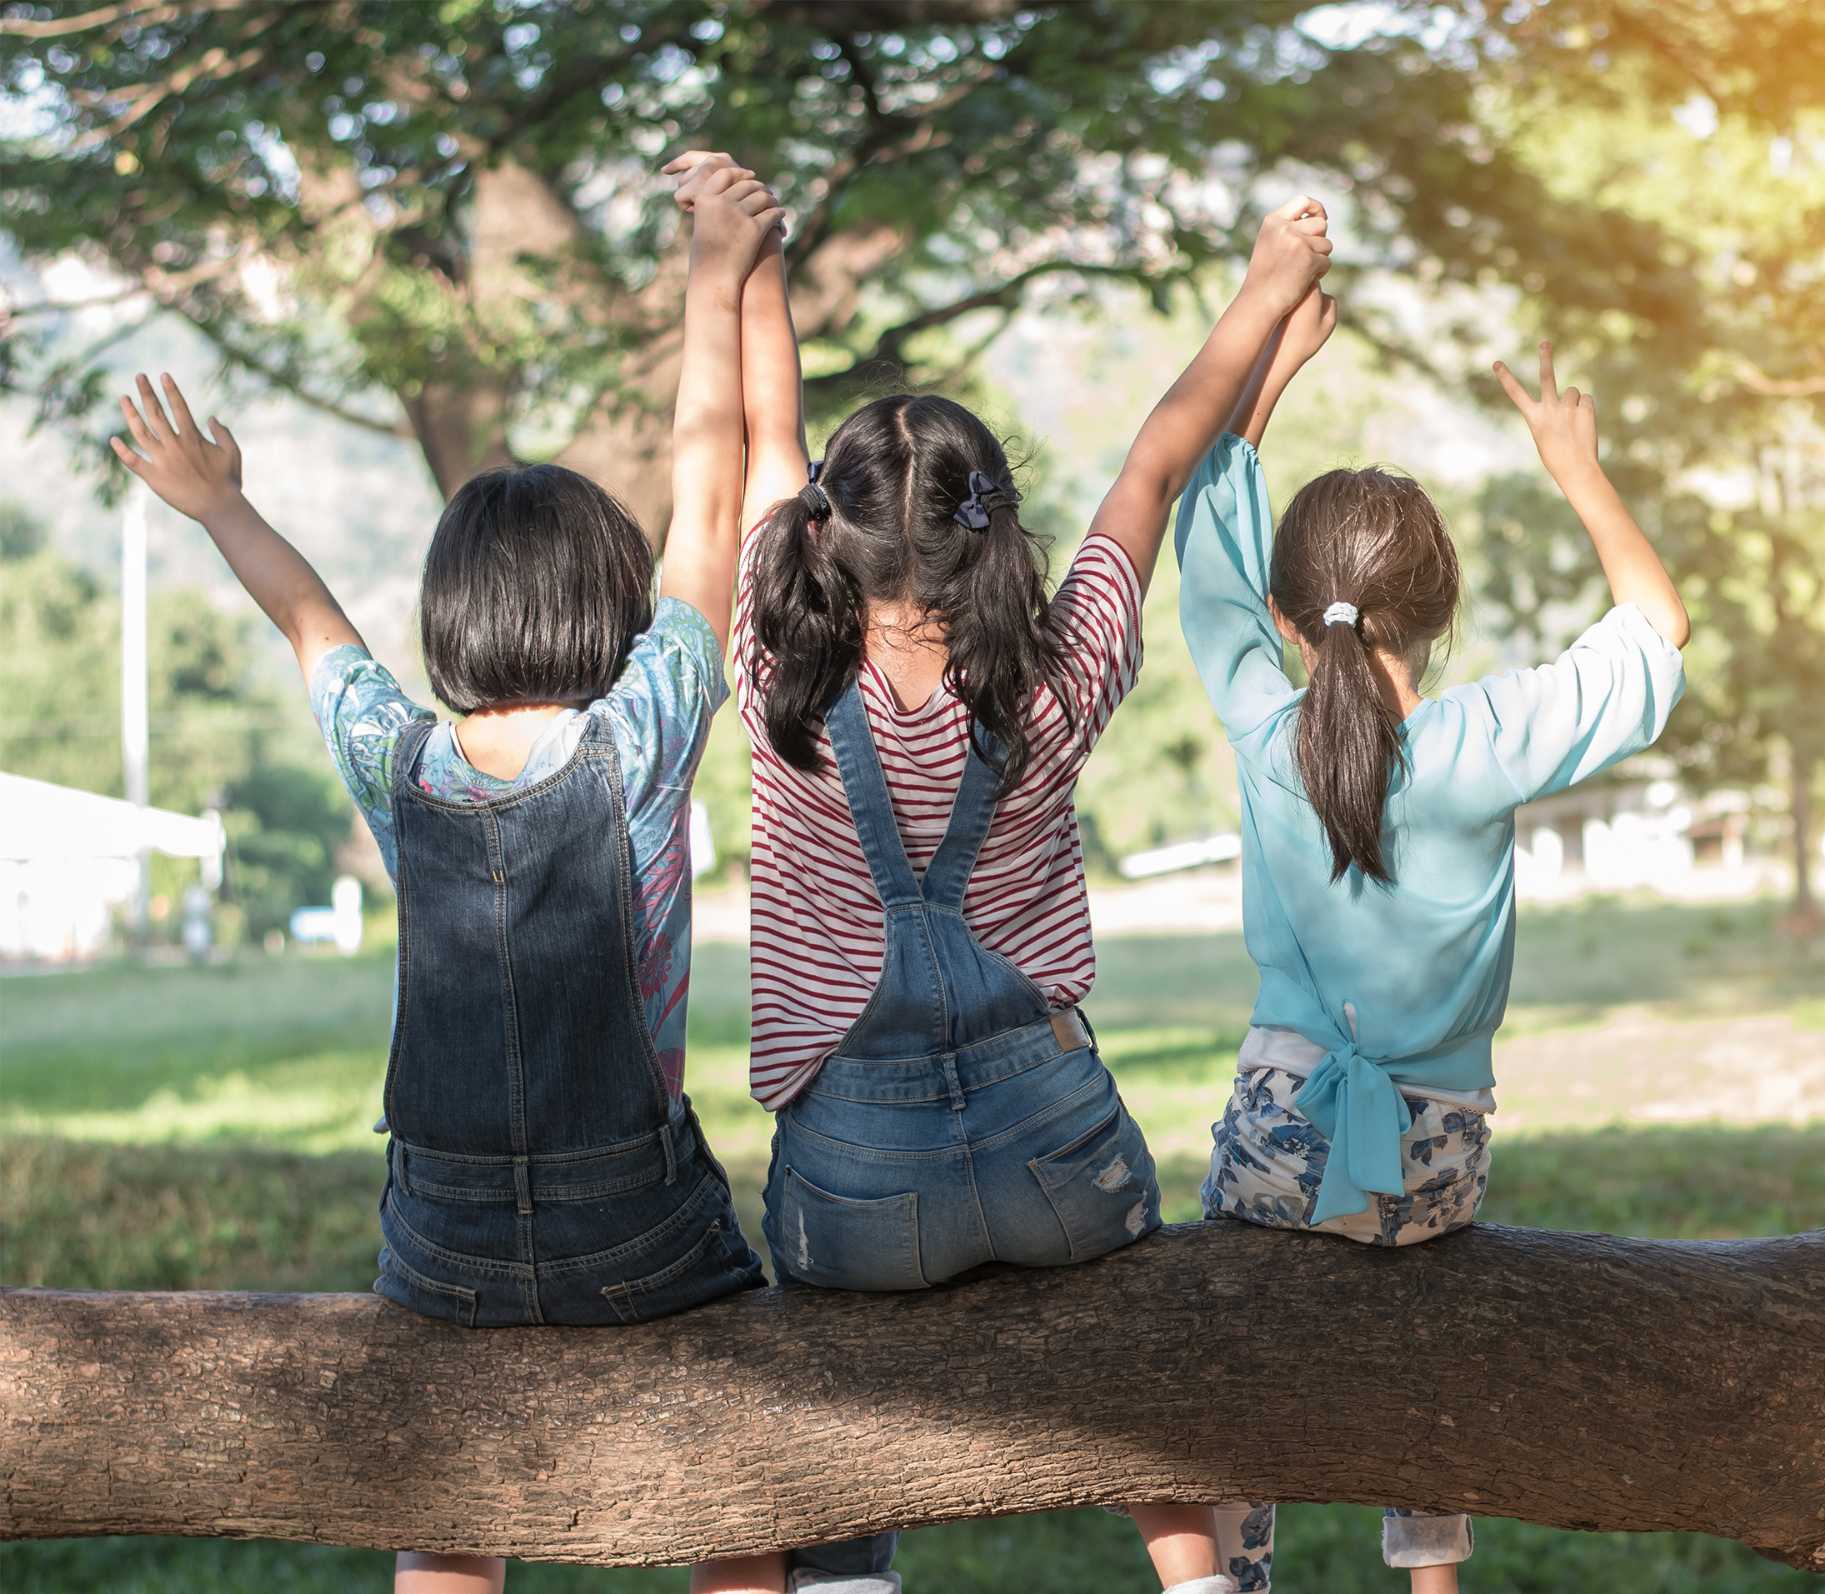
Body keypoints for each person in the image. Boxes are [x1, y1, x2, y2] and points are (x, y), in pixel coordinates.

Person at [111, 154, 791, 1594]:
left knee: (445, 1502)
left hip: (444, 1237)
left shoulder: (396, 761)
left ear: (451, 615)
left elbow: (309, 617)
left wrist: (219, 504)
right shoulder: (644, 732)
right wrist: (715, 274)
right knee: (738, 1474)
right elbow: (711, 495)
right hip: (637, 1221)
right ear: (611, 610)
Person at [712, 152, 1336, 1594]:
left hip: (854, 1183)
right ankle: (1199, 1582)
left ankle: (851, 1579)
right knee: (1137, 1361)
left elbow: (765, 425)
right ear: (988, 525)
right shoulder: (1058, 675)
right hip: (1060, 1158)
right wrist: (1264, 288)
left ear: (823, 533)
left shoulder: (774, 672)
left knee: (837, 1375)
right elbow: (1156, 460)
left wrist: (755, 258)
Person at [1174, 301, 1690, 1594]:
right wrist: (1575, 466)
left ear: (1291, 621)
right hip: (1437, 1162)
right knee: (1425, 1332)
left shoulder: (1264, 727)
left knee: (1224, 1364)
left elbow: (1205, 559)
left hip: (1282, 1140)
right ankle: (1432, 1578)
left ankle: (1230, 1579)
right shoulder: (1487, 740)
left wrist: (1267, 378)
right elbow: (1657, 629)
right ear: (1439, 611)